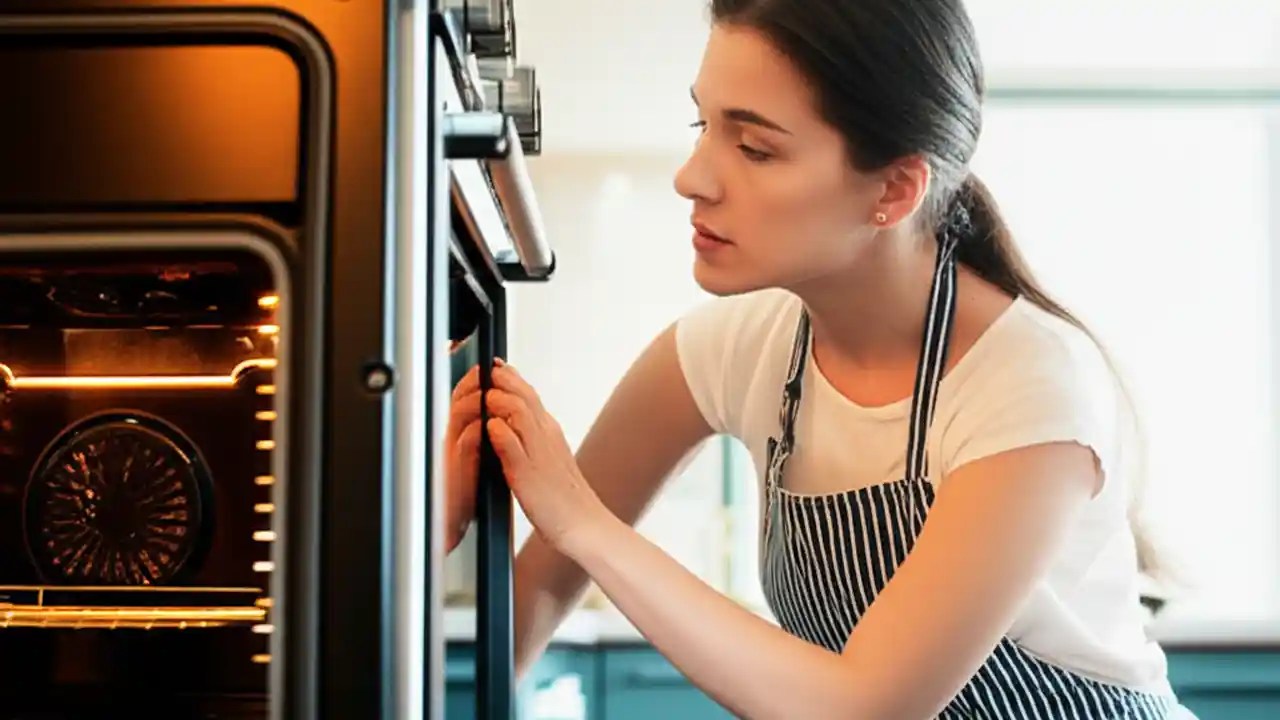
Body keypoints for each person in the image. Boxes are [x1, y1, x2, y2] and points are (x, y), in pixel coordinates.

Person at [446, 0, 1194, 717]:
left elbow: (861, 706)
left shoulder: (1030, 383)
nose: (693, 177)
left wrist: (582, 519)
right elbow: (531, 600)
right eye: (702, 125)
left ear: (894, 191)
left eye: (754, 147)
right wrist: (431, 521)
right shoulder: (730, 348)